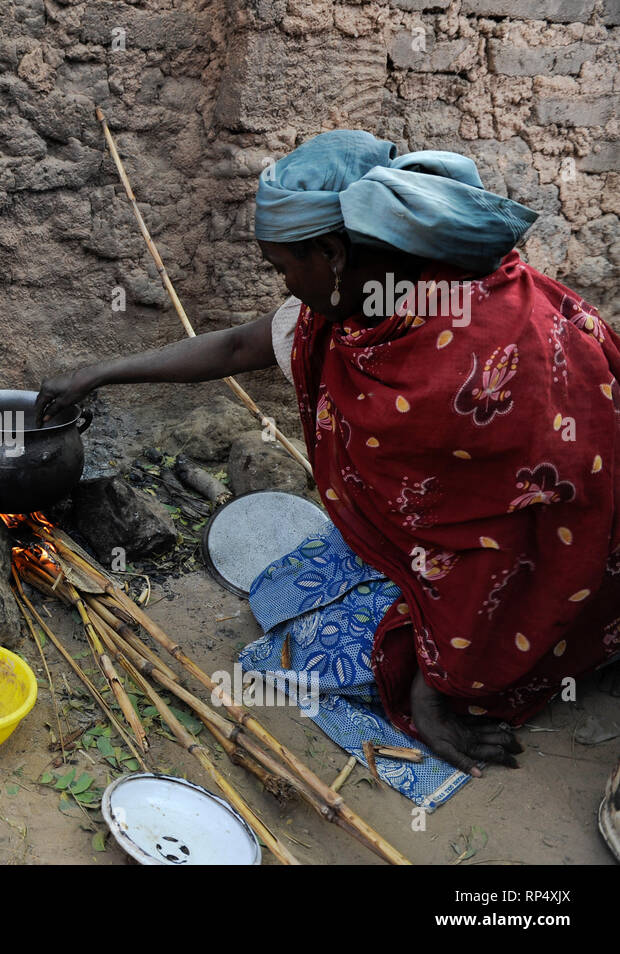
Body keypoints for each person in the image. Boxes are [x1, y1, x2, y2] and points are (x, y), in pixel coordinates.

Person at [37, 130, 620, 786]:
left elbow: (485, 545)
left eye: (284, 267)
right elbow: (235, 349)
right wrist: (95, 375)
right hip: (483, 523)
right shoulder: (361, 303)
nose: (283, 284)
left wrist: (435, 685)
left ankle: (458, 683)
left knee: (498, 598)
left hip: (559, 524)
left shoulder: (472, 361)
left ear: (333, 253)